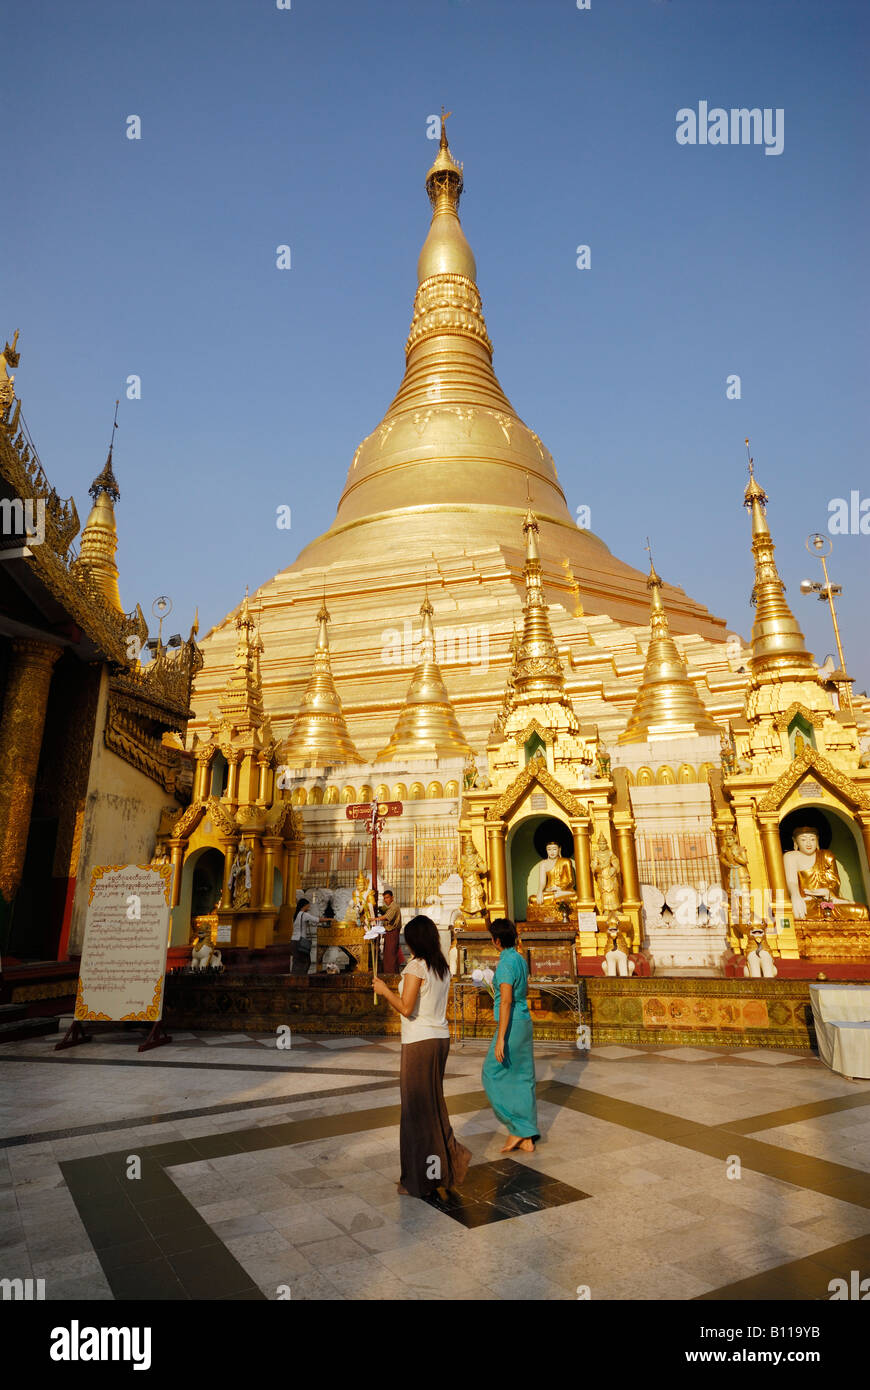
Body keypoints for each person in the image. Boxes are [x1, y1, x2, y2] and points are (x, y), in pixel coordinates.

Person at [372, 915, 471, 1198]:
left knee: (415, 1112)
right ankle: (447, 1166)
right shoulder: (441, 967)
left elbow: (406, 1008)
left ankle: (418, 1179)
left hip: (420, 1042)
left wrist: (384, 991)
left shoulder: (416, 966)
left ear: (414, 940)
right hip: (439, 1038)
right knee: (432, 1107)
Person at [482, 918, 539, 1154]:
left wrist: (501, 1038)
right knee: (523, 1077)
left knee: (491, 1073)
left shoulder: (505, 963)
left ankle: (517, 1127)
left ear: (496, 941)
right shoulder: (520, 959)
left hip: (512, 1025)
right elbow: (520, 991)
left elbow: (505, 1001)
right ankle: (527, 1134)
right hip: (524, 1021)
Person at [376, 888, 404, 973]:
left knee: (391, 954)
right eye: (384, 898)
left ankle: (391, 973)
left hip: (393, 932)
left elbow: (387, 917)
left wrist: (375, 918)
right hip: (388, 933)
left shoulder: (394, 906)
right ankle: (389, 972)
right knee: (387, 953)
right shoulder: (389, 907)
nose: (386, 900)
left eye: (387, 897)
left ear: (392, 897)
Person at [291, 897, 318, 976]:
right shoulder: (304, 915)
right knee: (306, 961)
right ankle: (301, 978)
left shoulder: (296, 915)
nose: (309, 907)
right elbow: (317, 919)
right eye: (308, 906)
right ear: (304, 905)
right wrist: (330, 919)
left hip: (293, 941)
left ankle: (294, 979)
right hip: (300, 941)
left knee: (296, 962)